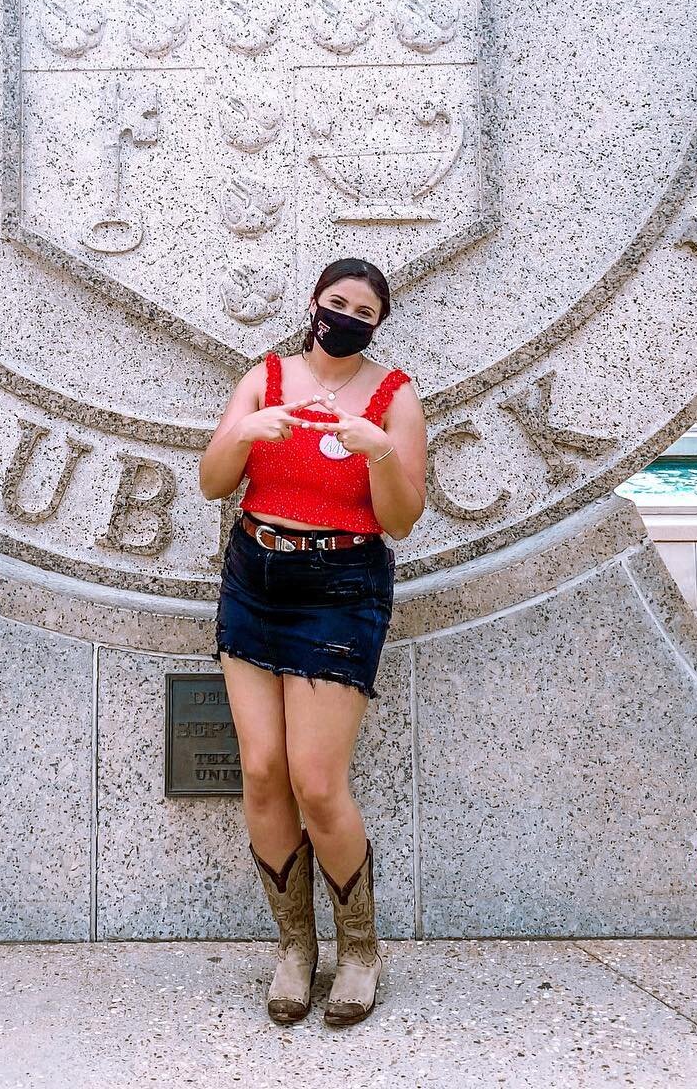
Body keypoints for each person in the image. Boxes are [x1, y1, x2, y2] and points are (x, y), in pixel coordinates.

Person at [197, 256, 427, 1027]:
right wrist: (247, 431)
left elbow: (400, 520)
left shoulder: (395, 398)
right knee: (262, 773)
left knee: (317, 781)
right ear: (314, 304)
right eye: (338, 303)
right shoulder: (263, 378)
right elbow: (211, 482)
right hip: (254, 577)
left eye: (365, 310)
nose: (347, 318)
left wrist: (381, 452)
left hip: (341, 588)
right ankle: (295, 949)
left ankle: (358, 950)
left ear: (378, 323)